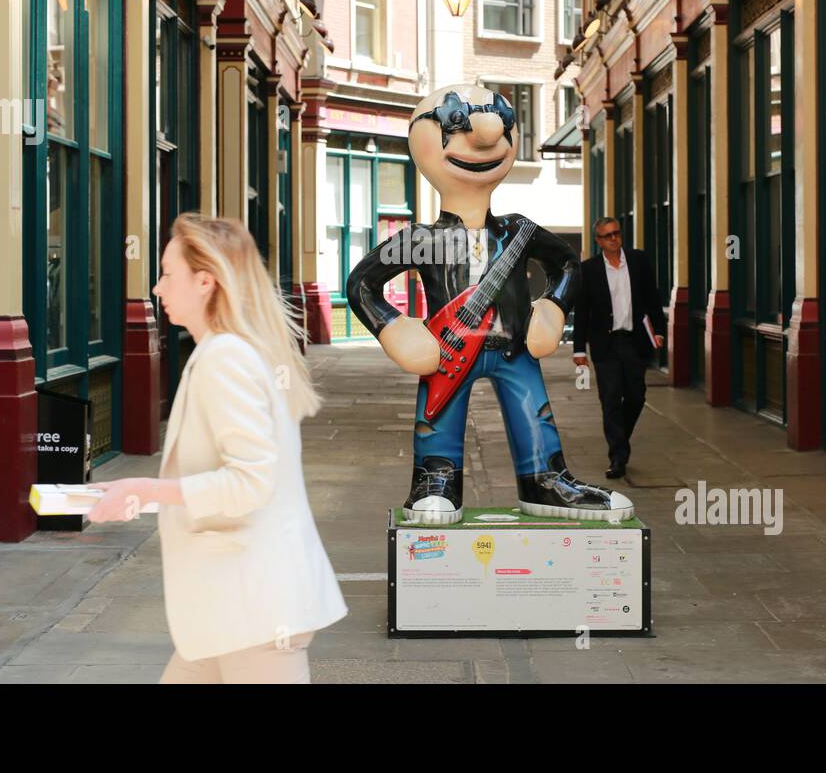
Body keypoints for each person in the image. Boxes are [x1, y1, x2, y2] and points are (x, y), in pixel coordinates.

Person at [347, 84, 633, 524]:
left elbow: (567, 263)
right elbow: (363, 283)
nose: (485, 141)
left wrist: (552, 308)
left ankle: (545, 478)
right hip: (449, 349)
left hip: (513, 346)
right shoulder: (424, 240)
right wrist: (396, 329)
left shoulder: (518, 230)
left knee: (533, 411)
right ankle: (435, 477)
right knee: (439, 414)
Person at [88, 213, 347, 683]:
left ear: (205, 281)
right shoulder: (225, 352)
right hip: (226, 615)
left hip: (252, 614)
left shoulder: (226, 358)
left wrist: (146, 489)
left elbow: (250, 481)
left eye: (168, 273)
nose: (158, 288)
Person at [572, 217, 665, 479]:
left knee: (636, 396)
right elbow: (582, 313)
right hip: (606, 344)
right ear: (599, 241)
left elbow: (652, 298)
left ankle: (619, 438)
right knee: (610, 399)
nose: (614, 238)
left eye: (617, 233)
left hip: (634, 342)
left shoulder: (638, 261)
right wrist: (579, 350)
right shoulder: (589, 270)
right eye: (608, 235)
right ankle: (618, 457)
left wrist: (658, 330)